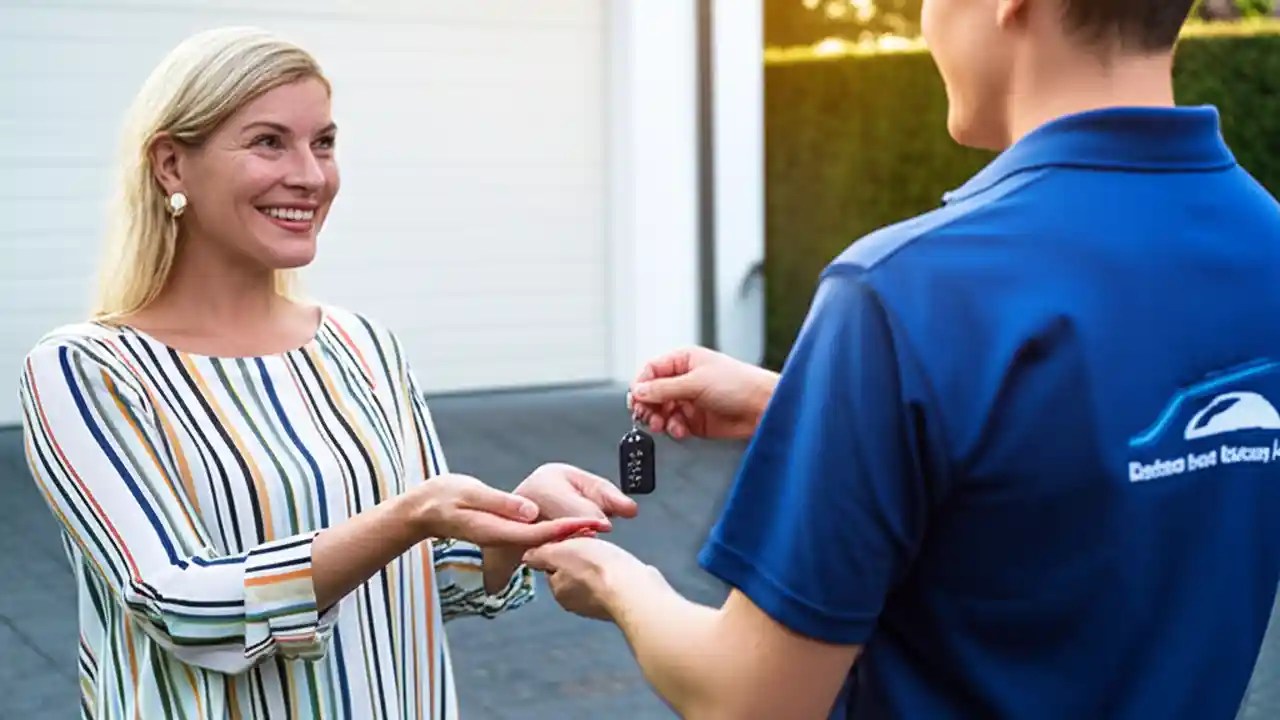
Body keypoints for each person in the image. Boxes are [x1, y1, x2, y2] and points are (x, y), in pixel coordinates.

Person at [523, 0, 1280, 718]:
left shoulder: (901, 292)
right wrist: (810, 406)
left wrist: (615, 579)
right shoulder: (1264, 247)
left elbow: (748, 699)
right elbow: (1103, 447)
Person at [17, 26, 636, 720]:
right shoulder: (87, 370)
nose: (310, 176)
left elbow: (428, 584)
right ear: (170, 165)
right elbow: (181, 608)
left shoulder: (363, 347)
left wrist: (513, 517)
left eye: (324, 143)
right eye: (268, 142)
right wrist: (408, 516)